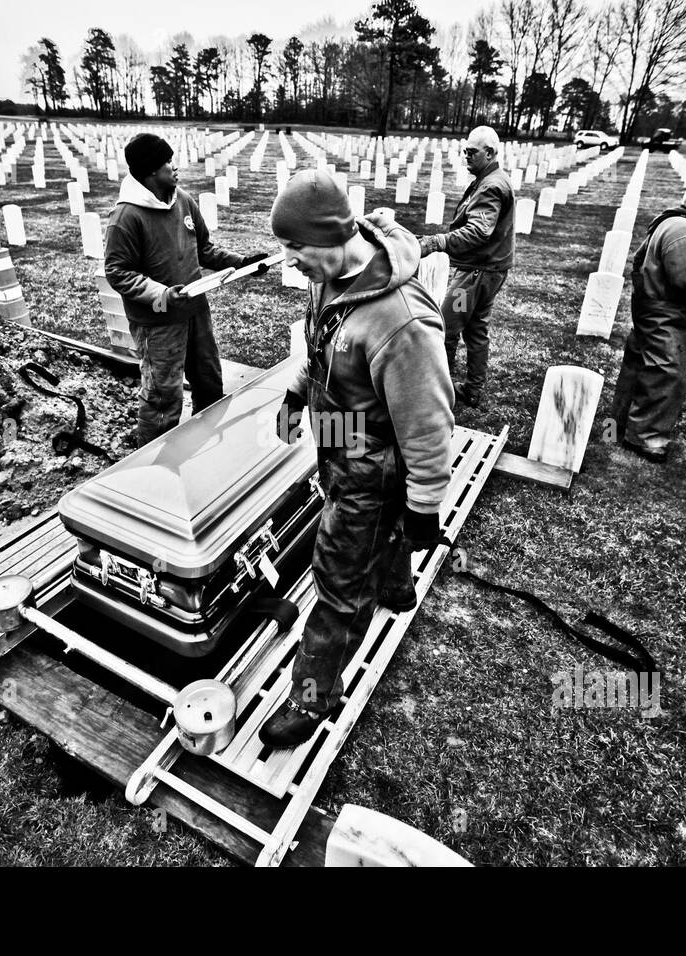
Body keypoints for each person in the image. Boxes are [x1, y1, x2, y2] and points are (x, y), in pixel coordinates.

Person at [260, 170, 455, 748]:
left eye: (294, 246)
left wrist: (423, 505)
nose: (288, 258)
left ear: (330, 235)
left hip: (374, 465)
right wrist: (299, 389)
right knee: (373, 541)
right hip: (343, 442)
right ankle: (396, 586)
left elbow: (428, 425)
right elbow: (322, 345)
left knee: (338, 582)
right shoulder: (330, 277)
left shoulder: (402, 321)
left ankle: (313, 696)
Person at [103, 132, 270, 446]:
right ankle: (155, 461)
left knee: (209, 382)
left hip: (195, 311)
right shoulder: (126, 217)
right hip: (159, 324)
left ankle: (207, 447)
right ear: (151, 172)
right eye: (167, 163)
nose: (174, 168)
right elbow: (118, 271)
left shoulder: (183, 201)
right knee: (163, 396)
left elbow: (204, 248)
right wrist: (161, 294)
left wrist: (243, 262)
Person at [612, 173, 686, 463]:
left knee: (637, 367)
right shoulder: (681, 229)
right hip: (666, 313)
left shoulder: (669, 221)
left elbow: (640, 263)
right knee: (666, 374)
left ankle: (617, 428)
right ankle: (647, 439)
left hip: (651, 307)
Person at [418, 125, 516, 409]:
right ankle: (472, 390)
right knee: (476, 329)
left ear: (490, 153)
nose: (466, 156)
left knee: (446, 328)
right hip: (489, 271)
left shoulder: (491, 186)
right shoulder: (492, 178)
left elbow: (478, 232)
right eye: (465, 151)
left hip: (475, 275)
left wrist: (436, 242)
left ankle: (441, 392)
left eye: (472, 152)